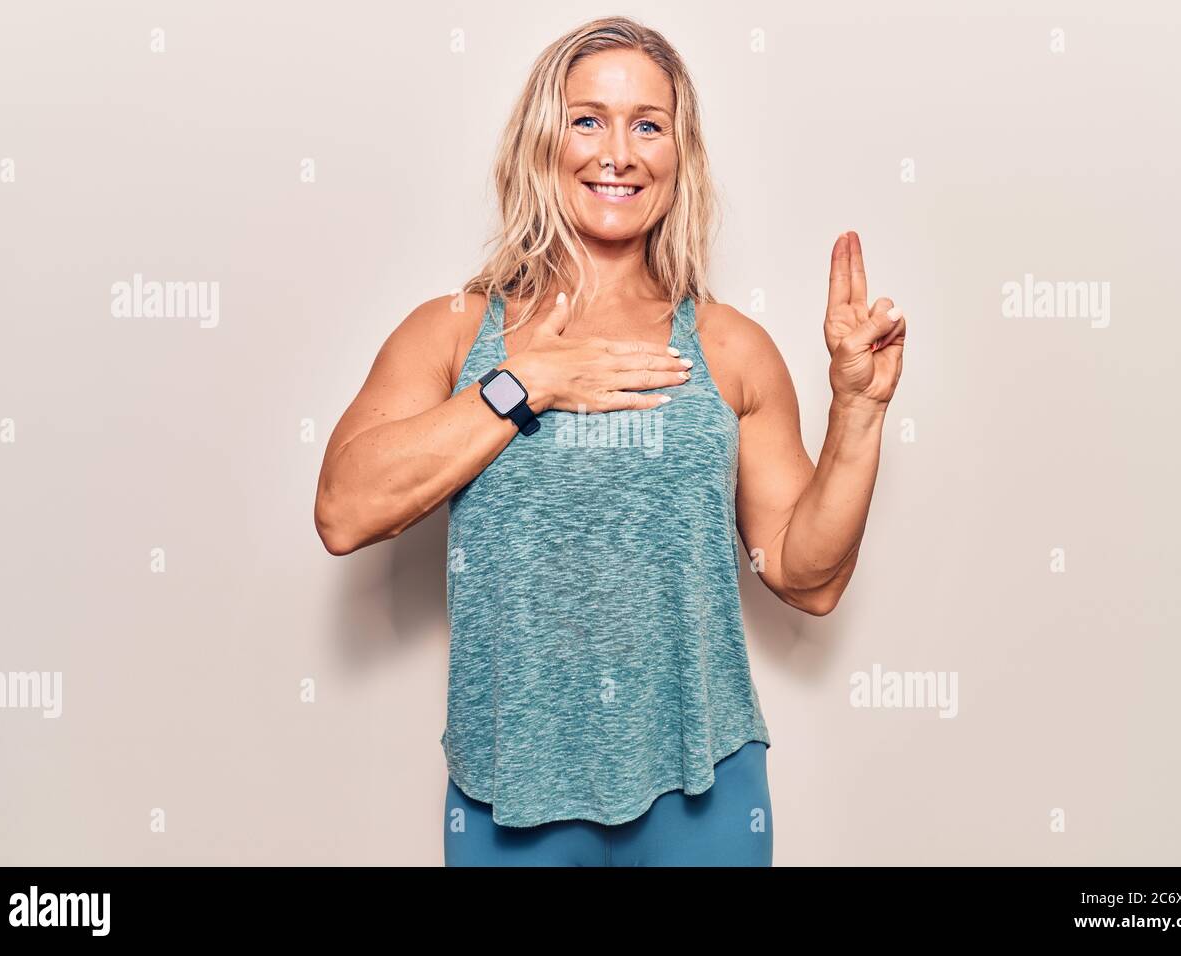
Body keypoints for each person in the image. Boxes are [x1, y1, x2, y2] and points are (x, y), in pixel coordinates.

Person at [313, 16, 907, 866]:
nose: (617, 153)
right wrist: (529, 383)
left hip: (705, 790)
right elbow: (344, 510)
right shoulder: (451, 335)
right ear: (541, 141)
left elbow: (807, 580)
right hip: (507, 793)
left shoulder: (731, 348)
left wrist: (858, 410)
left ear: (679, 154)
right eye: (587, 118)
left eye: (648, 124)